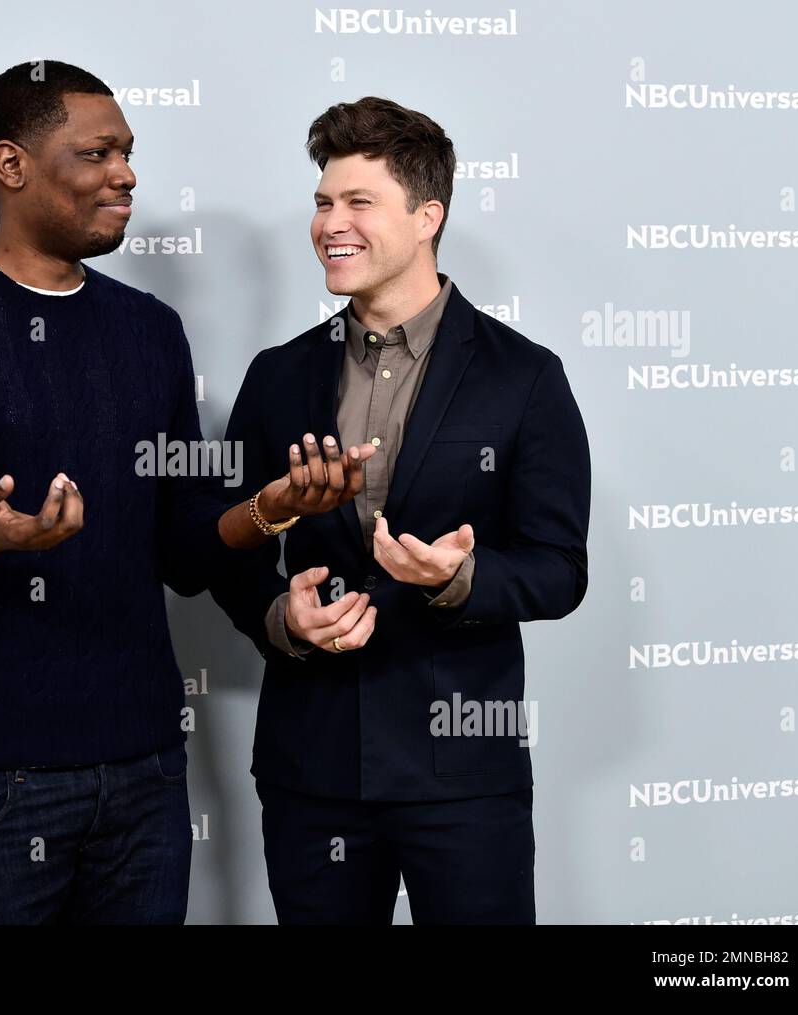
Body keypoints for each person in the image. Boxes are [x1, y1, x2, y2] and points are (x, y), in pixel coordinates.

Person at [0, 60, 374, 924]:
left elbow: (183, 550)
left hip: (144, 772)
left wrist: (272, 507)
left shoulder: (150, 333)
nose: (127, 173)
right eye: (98, 152)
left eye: (130, 152)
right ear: (12, 165)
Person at [209, 96, 591, 924]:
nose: (329, 224)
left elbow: (560, 569)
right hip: (311, 771)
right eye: (321, 202)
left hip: (463, 777)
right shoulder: (276, 376)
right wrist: (279, 616)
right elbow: (225, 546)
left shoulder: (525, 377)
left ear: (428, 217)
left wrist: (459, 578)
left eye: (357, 203)